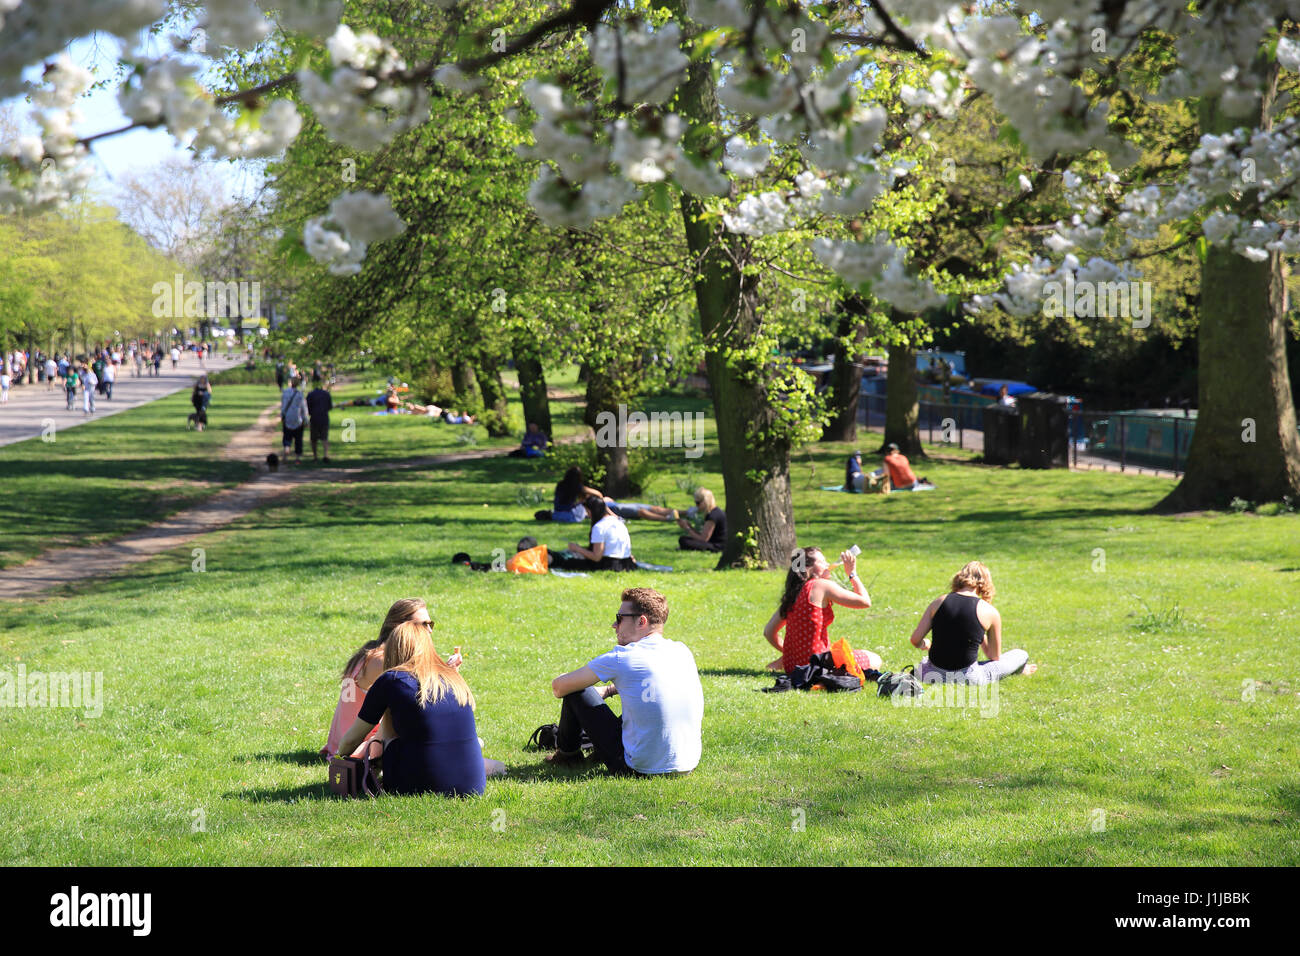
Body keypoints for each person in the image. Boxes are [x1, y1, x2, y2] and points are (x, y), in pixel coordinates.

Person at [547, 587, 703, 776]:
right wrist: (609, 690)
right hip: (686, 764)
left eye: (620, 618)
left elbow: (559, 687)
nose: (614, 625)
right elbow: (653, 685)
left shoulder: (623, 657)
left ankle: (568, 756)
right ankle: (594, 752)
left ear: (641, 621)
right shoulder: (681, 651)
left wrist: (568, 678)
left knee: (576, 689)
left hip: (637, 768)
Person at [334, 621, 492, 797]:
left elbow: (351, 739)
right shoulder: (453, 678)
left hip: (418, 785)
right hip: (473, 785)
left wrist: (339, 760)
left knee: (388, 728)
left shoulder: (391, 680)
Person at [909, 561, 1037, 684]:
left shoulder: (938, 602)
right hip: (967, 678)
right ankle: (1019, 670)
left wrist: (924, 643)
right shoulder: (990, 612)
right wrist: (979, 632)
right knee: (1021, 654)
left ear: (959, 577)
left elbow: (915, 640)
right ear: (986, 583)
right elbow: (994, 657)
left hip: (930, 674)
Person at [762, 546, 871, 672]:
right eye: (822, 562)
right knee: (874, 658)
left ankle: (779, 663)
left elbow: (768, 632)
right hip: (818, 664)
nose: (827, 564)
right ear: (808, 568)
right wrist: (852, 573)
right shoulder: (821, 585)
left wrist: (790, 652)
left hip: (793, 666)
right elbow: (865, 602)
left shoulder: (794, 593)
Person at [562, 496, 637, 571]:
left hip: (610, 564)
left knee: (568, 562)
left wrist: (577, 548)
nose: (587, 515)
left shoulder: (599, 527)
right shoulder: (618, 522)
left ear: (591, 511)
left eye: (587, 511)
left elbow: (596, 557)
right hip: (626, 562)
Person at [677, 487, 725, 552]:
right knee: (684, 538)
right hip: (716, 542)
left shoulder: (712, 516)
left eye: (698, 503)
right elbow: (702, 535)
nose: (697, 506)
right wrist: (690, 526)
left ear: (705, 502)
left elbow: (703, 539)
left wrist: (687, 528)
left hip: (717, 546)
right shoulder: (715, 512)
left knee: (683, 540)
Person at [281, 374, 307, 464]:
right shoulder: (300, 394)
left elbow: (283, 406)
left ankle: (286, 451)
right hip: (297, 419)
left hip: (288, 418)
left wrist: (282, 415)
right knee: (298, 439)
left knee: (287, 436)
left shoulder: (285, 393)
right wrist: (305, 419)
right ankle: (297, 458)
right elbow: (303, 407)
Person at [306, 378, 333, 463]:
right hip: (324, 417)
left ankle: (315, 457)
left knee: (314, 439)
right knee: (324, 437)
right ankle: (325, 455)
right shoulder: (326, 394)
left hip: (314, 418)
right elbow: (330, 407)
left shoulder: (310, 394)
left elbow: (308, 408)